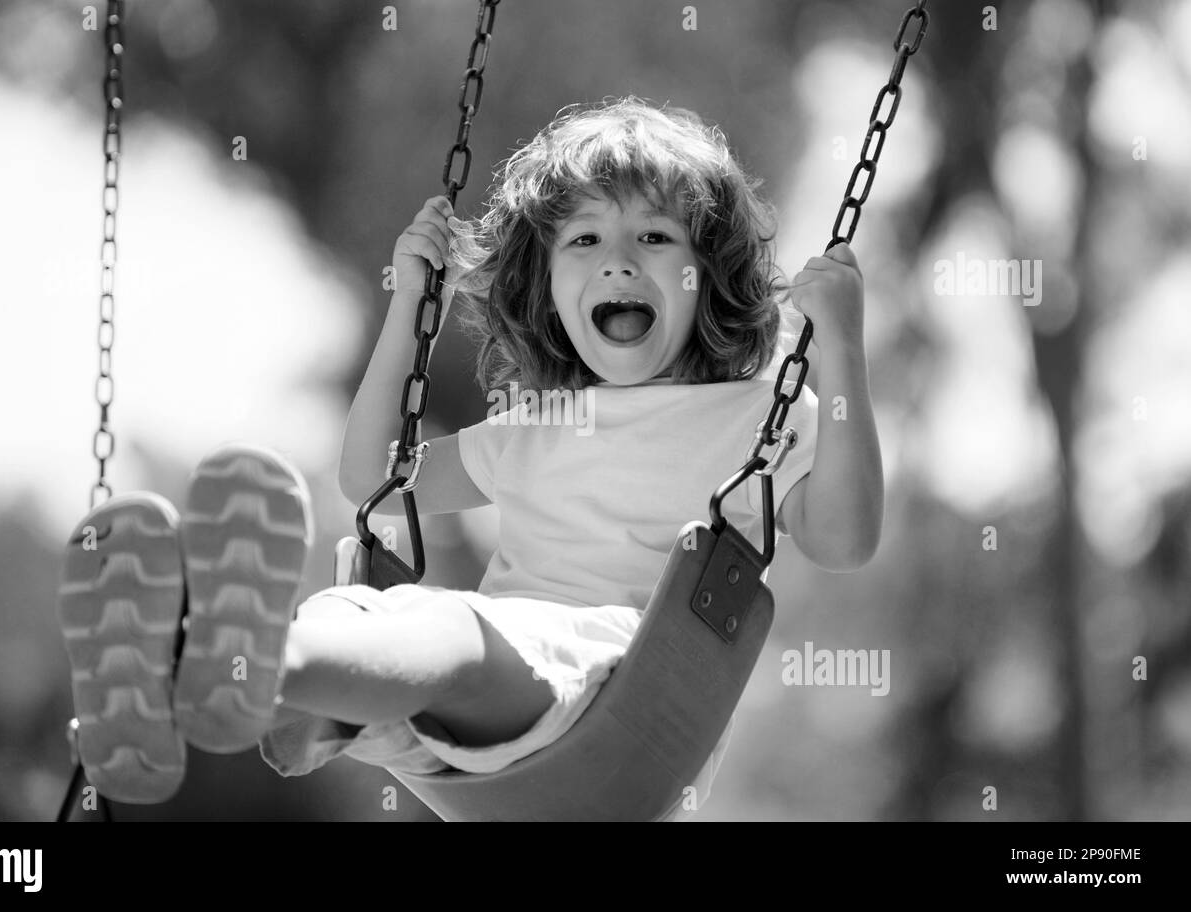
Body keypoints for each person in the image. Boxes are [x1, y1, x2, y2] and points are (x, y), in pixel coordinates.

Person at [57, 96, 883, 820]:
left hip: (623, 695)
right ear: (551, 292)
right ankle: (210, 666)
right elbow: (377, 480)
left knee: (449, 626)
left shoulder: (754, 415)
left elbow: (843, 539)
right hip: (463, 717)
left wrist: (840, 347)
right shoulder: (537, 425)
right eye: (585, 238)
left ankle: (270, 669)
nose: (618, 259)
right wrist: (411, 301)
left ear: (711, 274)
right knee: (377, 616)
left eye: (656, 236)